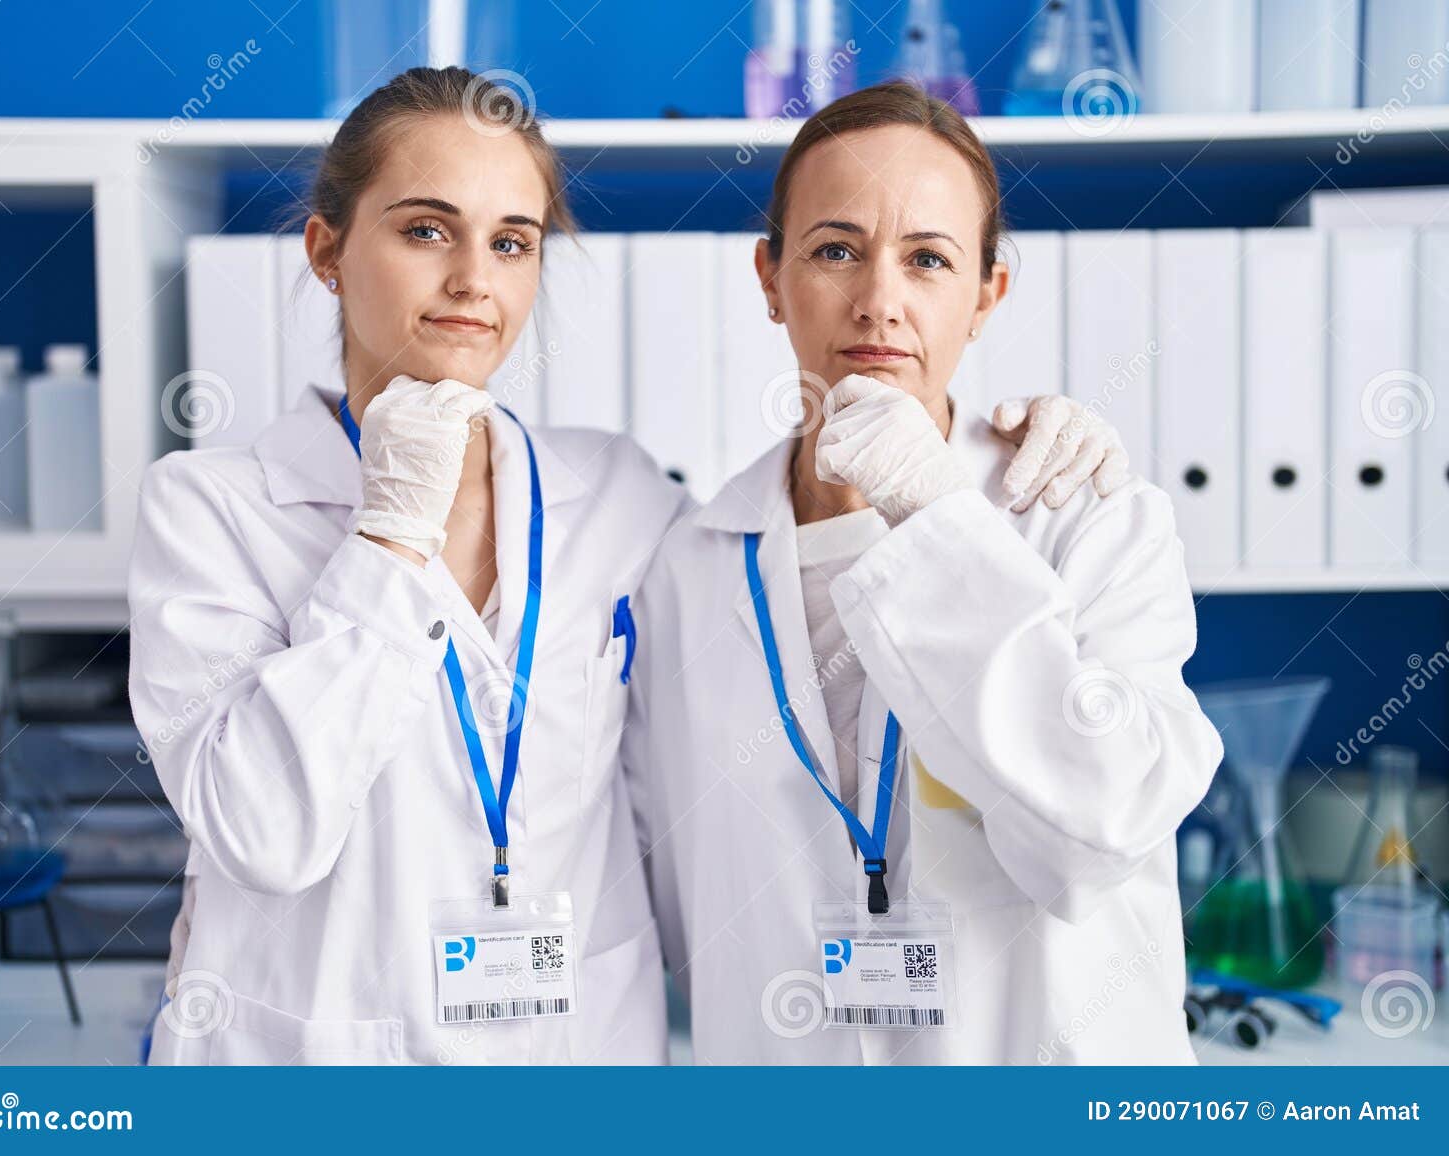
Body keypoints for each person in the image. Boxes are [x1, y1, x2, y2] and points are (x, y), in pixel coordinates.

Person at [129, 67, 1126, 1065]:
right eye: (426, 230)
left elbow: (799, 557)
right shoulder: (210, 511)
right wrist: (388, 538)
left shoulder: (618, 498)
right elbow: (262, 831)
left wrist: (1012, 455)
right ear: (327, 251)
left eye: (512, 241)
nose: (474, 278)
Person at [622, 81, 1222, 1064]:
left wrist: (938, 517)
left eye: (928, 259)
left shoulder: (1085, 519)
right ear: (770, 277)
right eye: (835, 250)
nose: (879, 302)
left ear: (986, 295)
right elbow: (681, 901)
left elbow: (1098, 833)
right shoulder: (687, 568)